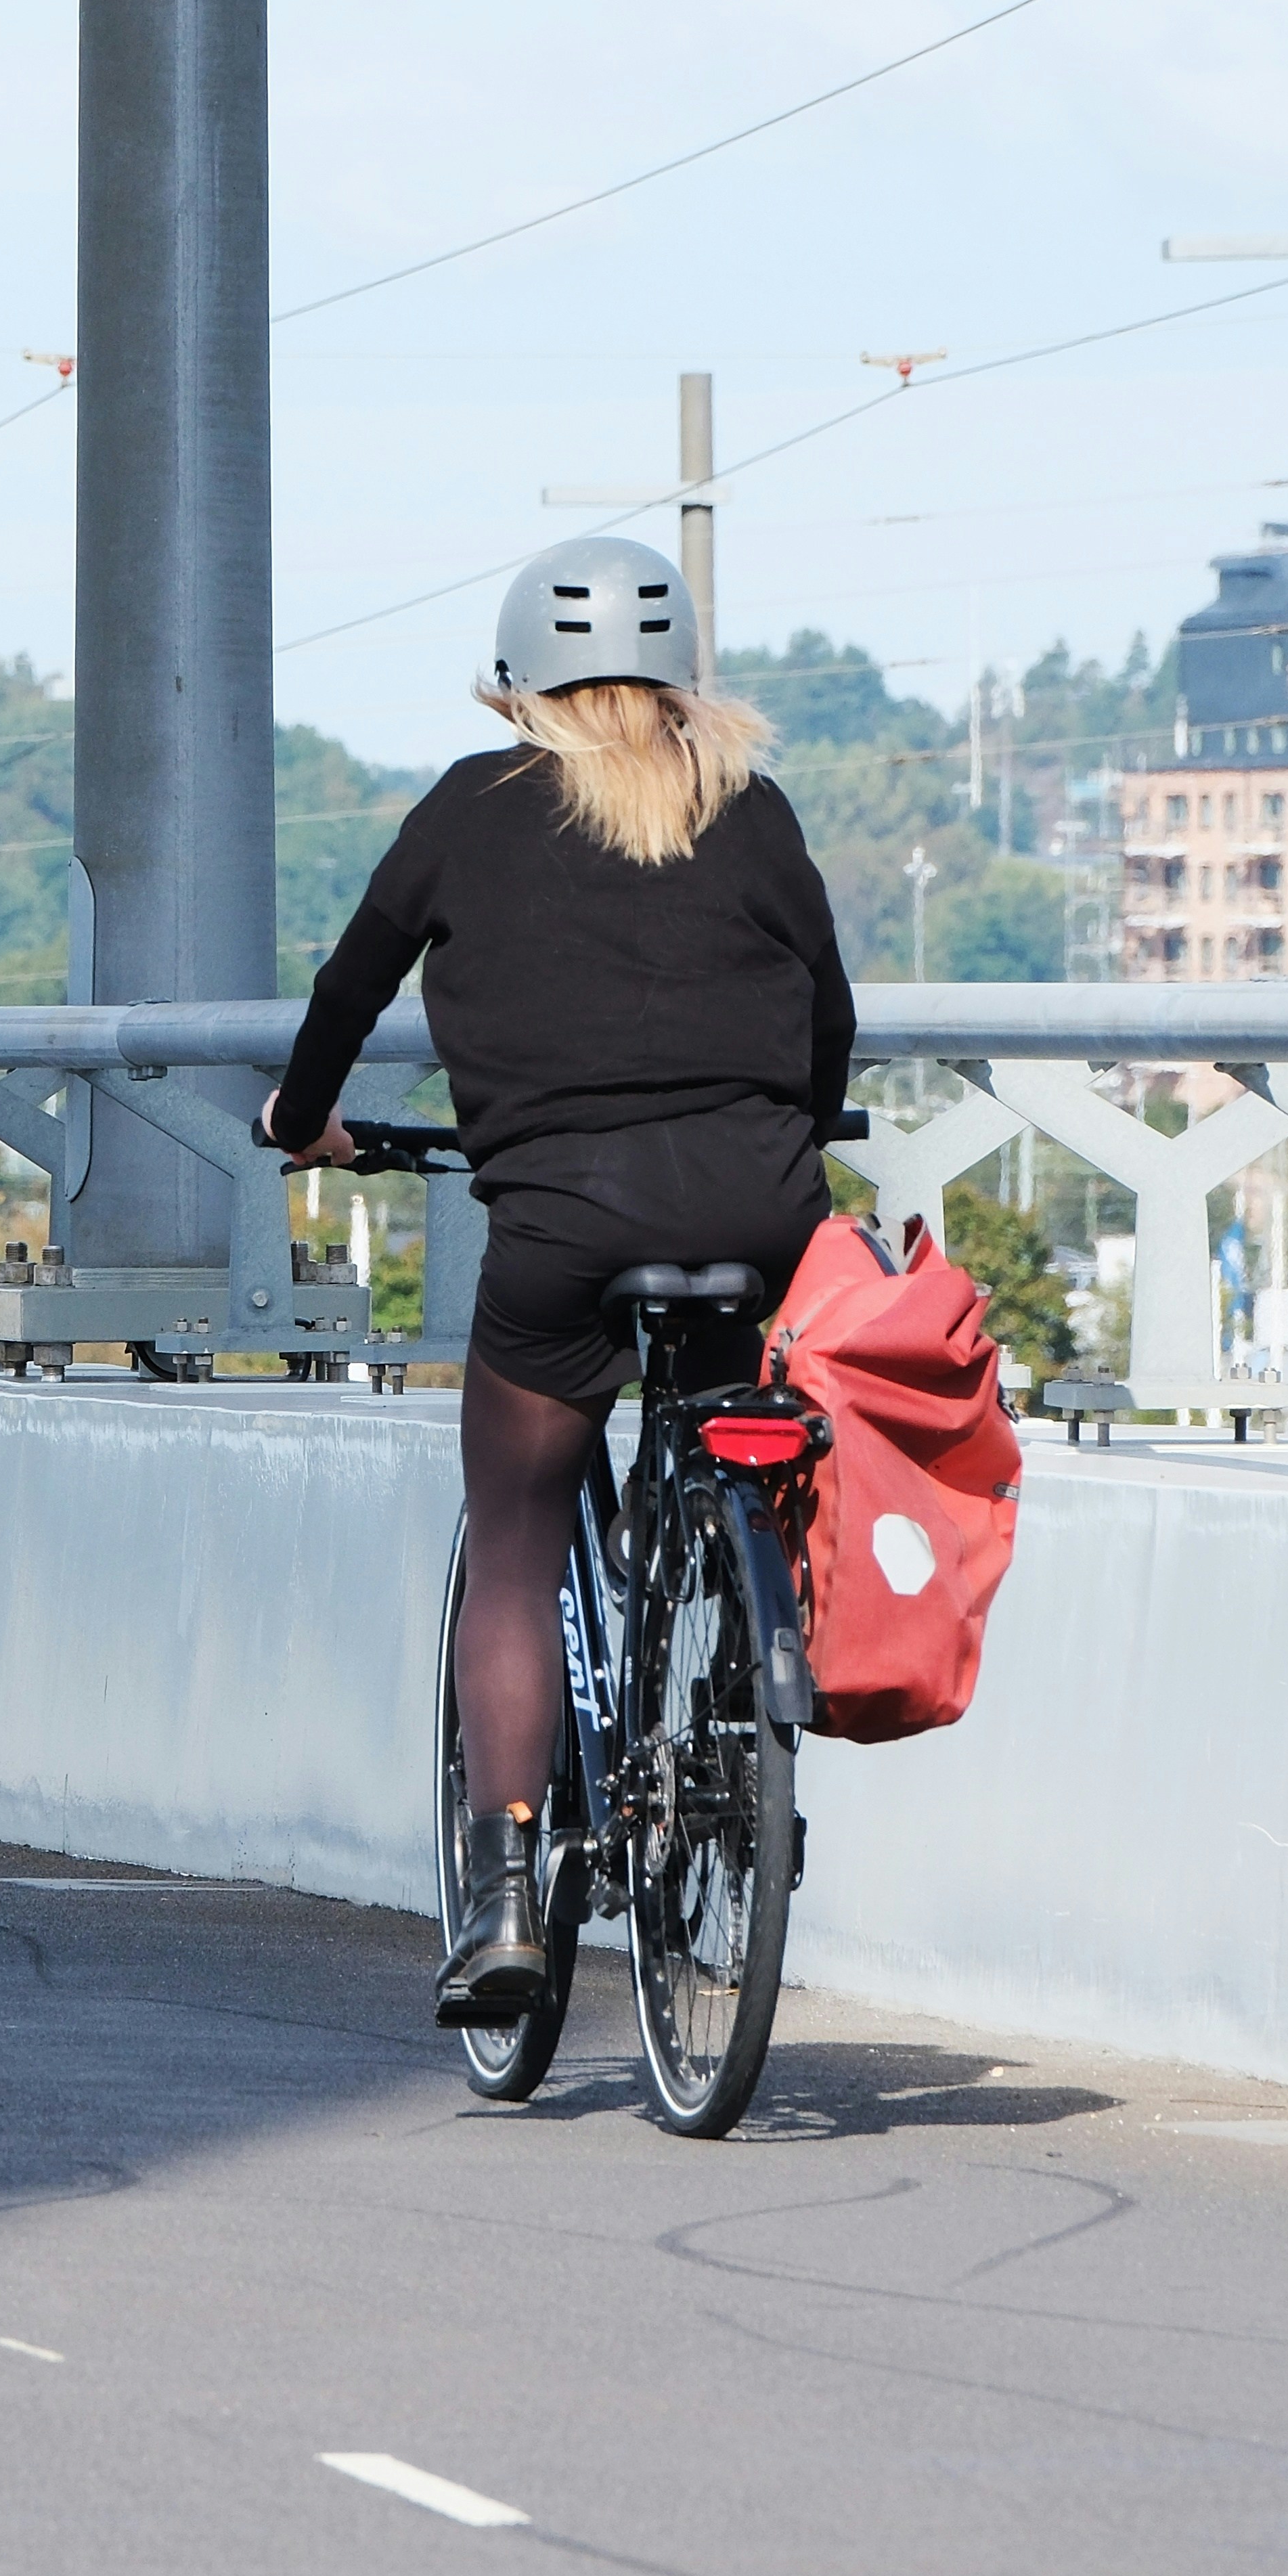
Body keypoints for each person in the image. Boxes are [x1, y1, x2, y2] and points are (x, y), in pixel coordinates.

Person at [261, 538, 854, 2024]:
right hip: (756, 1206)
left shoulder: (473, 808)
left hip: (559, 1224)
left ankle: (509, 1899)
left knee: (516, 1541)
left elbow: (347, 987)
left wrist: (299, 1117)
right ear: (678, 677)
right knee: (727, 1436)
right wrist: (787, 1130)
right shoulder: (747, 804)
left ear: (517, 680)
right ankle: (725, 1680)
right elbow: (829, 1012)